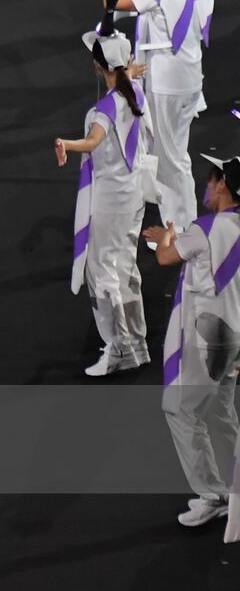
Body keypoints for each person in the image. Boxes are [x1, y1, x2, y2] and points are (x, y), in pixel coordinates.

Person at [89, 0, 213, 241]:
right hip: (191, 79)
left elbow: (112, 1)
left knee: (172, 157)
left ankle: (181, 233)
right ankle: (174, 220)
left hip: (167, 84)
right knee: (170, 150)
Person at [143, 153, 240, 528]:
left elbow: (166, 257)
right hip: (234, 338)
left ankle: (212, 496)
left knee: (180, 410)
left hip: (206, 337)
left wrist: (166, 236)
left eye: (211, 181)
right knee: (220, 412)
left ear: (223, 186)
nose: (206, 186)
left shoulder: (205, 228)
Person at [53, 7, 150, 376]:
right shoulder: (134, 90)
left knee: (101, 272)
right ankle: (137, 343)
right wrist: (130, 71)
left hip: (111, 199)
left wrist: (66, 144)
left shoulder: (103, 110)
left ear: (97, 67)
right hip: (134, 195)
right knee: (125, 267)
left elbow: (93, 141)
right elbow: (128, 77)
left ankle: (118, 348)